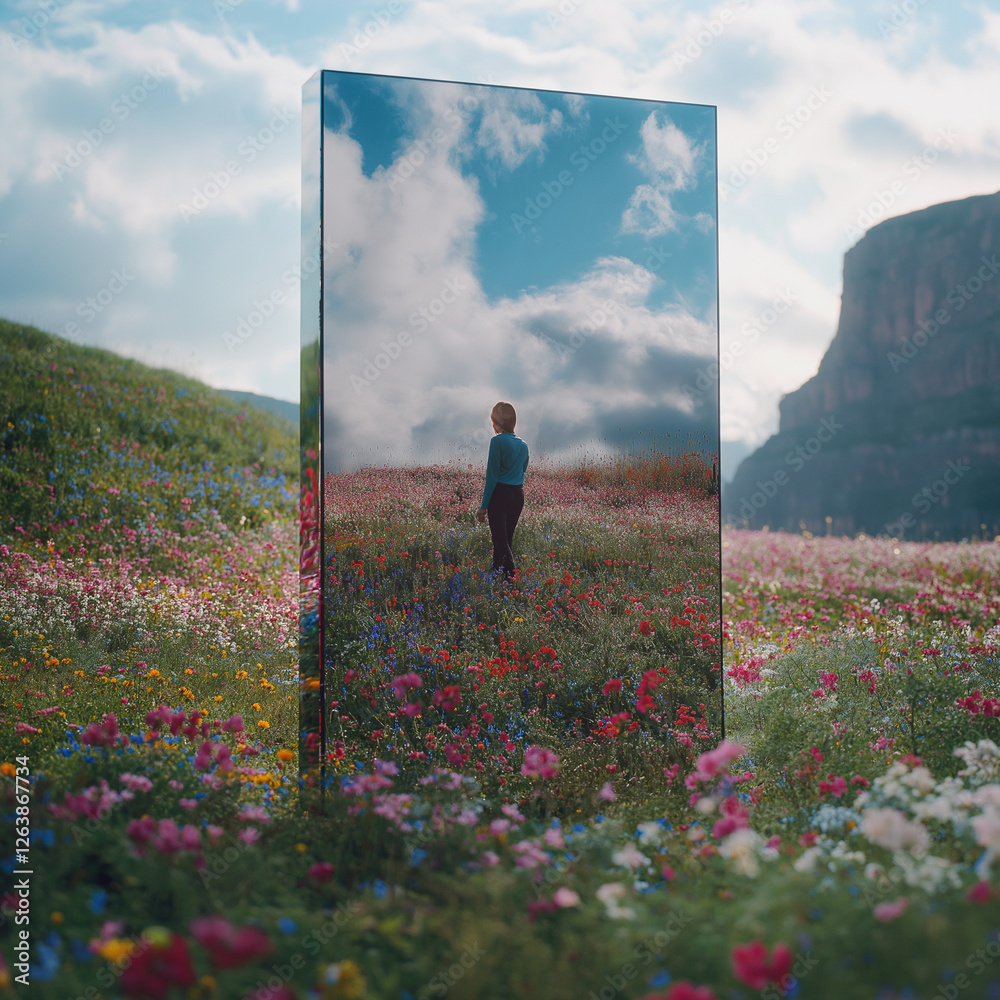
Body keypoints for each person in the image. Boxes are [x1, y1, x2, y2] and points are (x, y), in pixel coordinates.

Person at [476, 401, 528, 582]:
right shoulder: (523, 444)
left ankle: (513, 581)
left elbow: (492, 476)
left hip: (501, 495)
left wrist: (483, 506)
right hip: (517, 495)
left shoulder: (497, 441)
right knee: (506, 538)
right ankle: (497, 575)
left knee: (500, 541)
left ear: (495, 420)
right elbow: (523, 470)